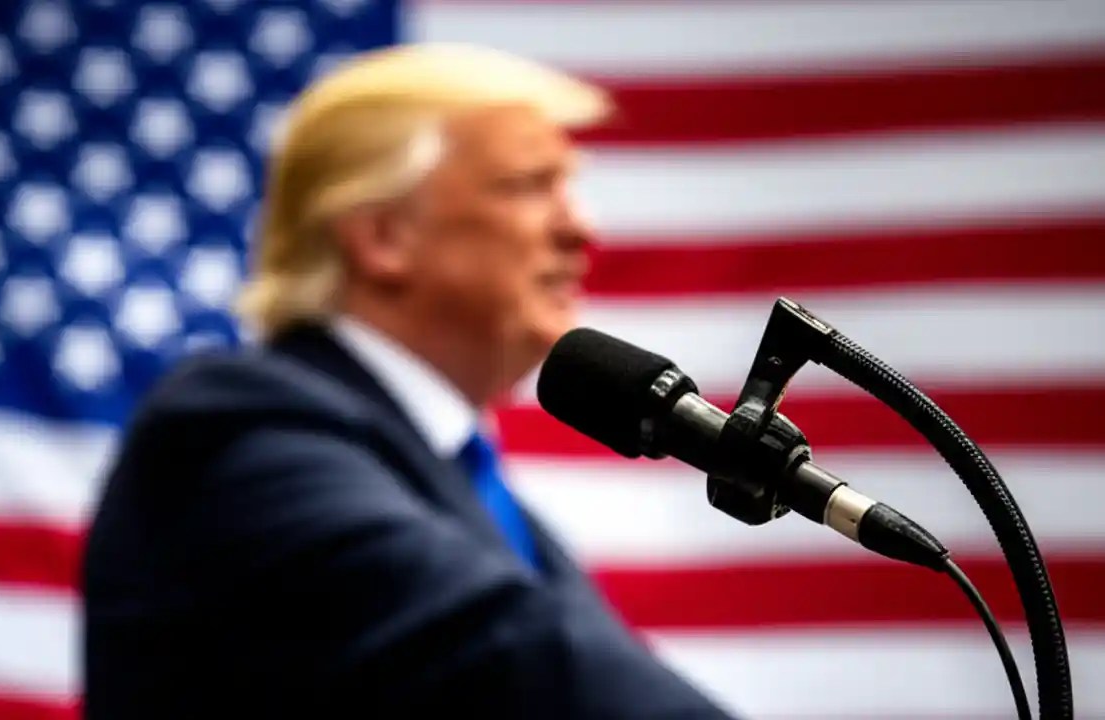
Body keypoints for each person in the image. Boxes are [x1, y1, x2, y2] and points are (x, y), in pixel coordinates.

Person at [80, 43, 737, 719]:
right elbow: (515, 657)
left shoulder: (475, 495)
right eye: (531, 185)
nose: (580, 227)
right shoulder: (232, 431)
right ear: (384, 236)